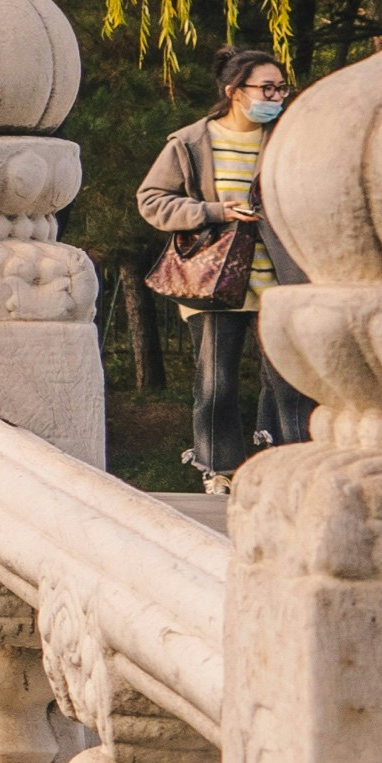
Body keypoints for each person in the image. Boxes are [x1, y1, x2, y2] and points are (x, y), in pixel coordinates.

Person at [134, 51, 293, 486]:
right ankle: (217, 471)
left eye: (281, 87)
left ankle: (278, 463)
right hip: (213, 281)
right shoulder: (189, 143)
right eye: (267, 88)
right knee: (216, 384)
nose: (276, 96)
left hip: (281, 281)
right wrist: (213, 211)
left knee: (286, 381)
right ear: (233, 92)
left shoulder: (288, 138)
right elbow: (151, 200)